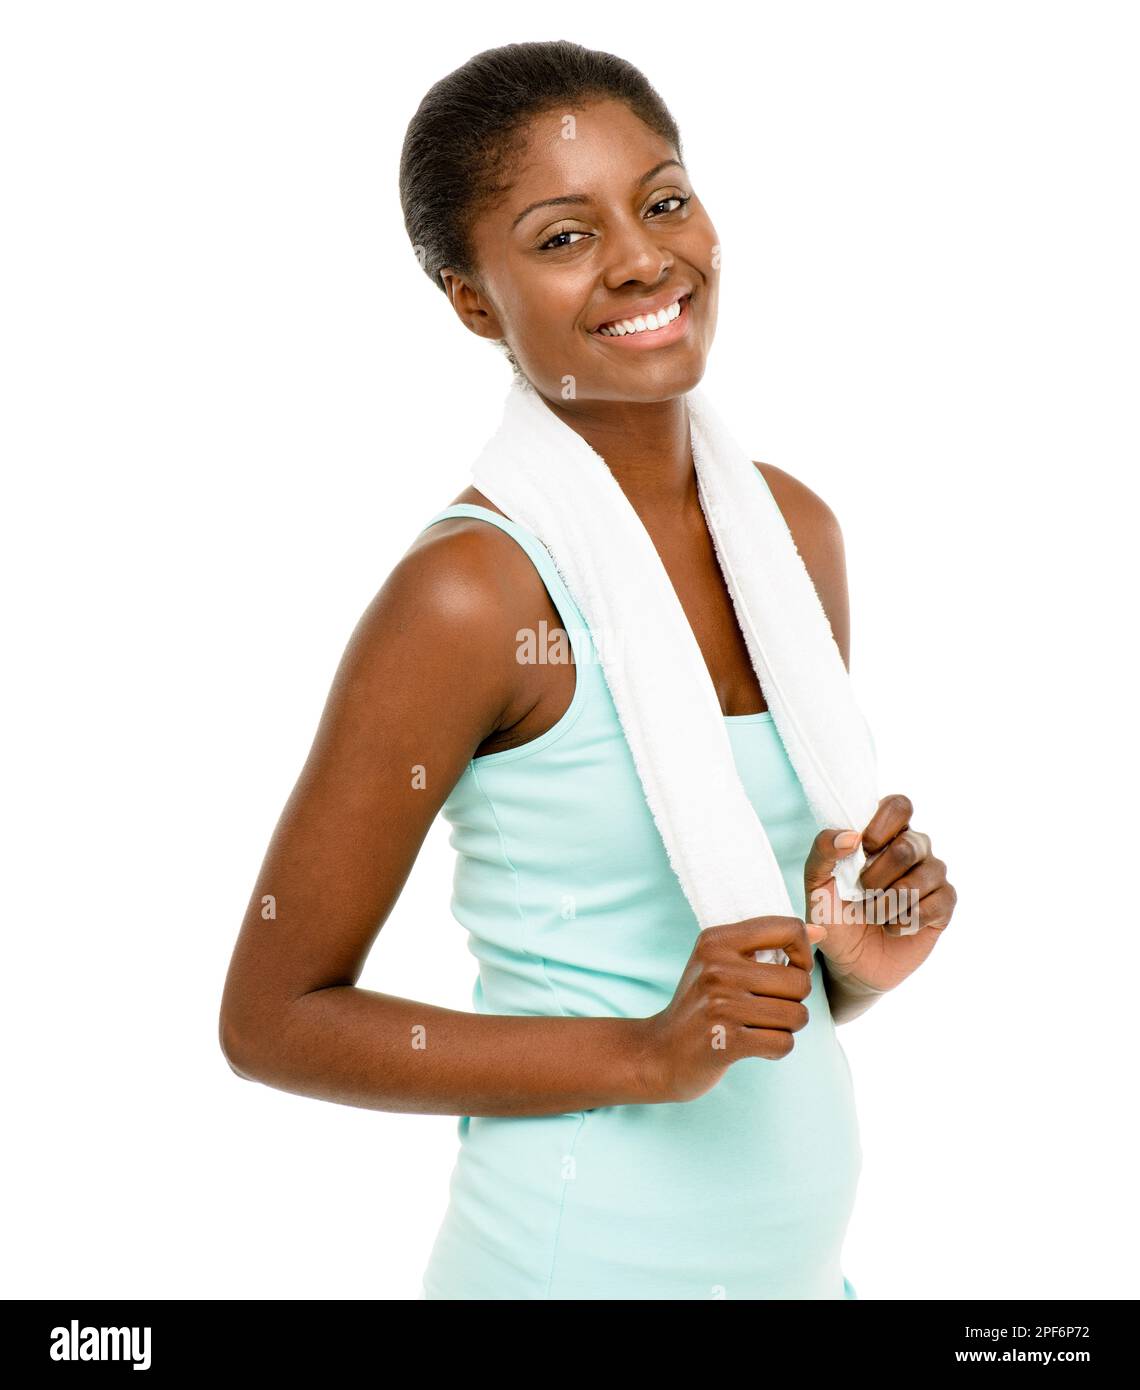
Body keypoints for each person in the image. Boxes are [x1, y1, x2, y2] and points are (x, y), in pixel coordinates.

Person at [219, 39, 957, 1300]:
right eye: (563, 237)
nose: (640, 258)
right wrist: (642, 1057)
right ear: (470, 298)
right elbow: (274, 1016)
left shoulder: (794, 541)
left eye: (662, 200)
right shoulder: (471, 597)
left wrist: (858, 964)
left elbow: (755, 1003)